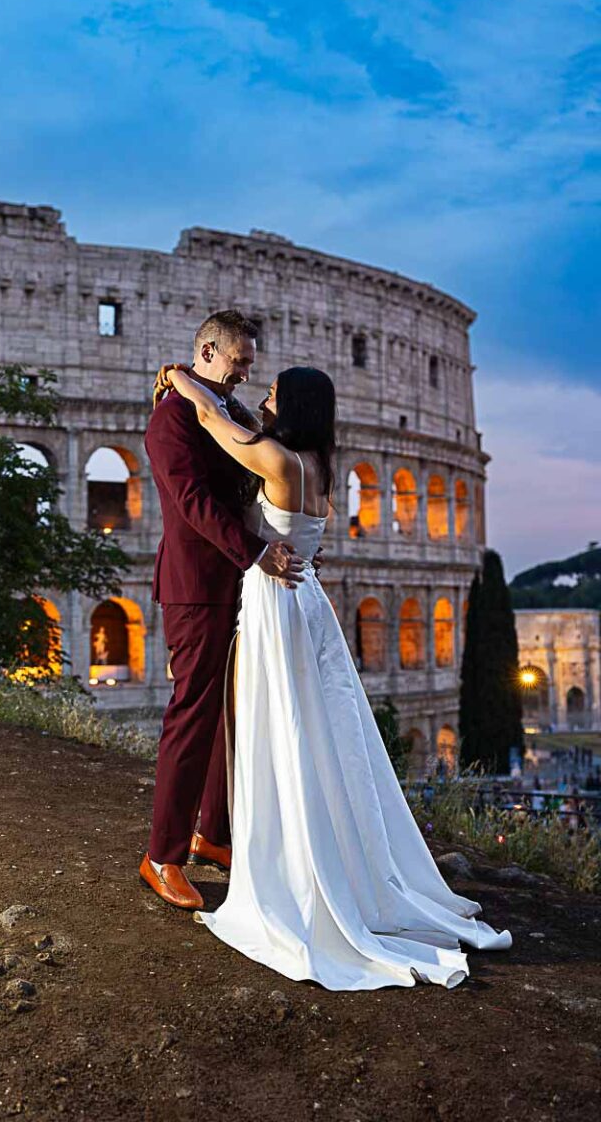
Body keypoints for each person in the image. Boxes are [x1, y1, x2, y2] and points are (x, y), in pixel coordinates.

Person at [159, 362, 512, 991]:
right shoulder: (315, 464)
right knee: (311, 723)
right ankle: (240, 835)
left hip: (275, 602)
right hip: (306, 601)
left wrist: (181, 378)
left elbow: (213, 419)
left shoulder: (282, 463)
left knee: (278, 723)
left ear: (291, 406)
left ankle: (287, 857)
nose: (260, 397)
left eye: (270, 394)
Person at [139, 311, 306, 911]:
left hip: (233, 581)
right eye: (238, 362)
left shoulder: (220, 407)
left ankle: (214, 834)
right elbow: (190, 503)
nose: (243, 375)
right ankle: (162, 856)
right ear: (208, 350)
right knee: (191, 714)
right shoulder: (170, 420)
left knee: (225, 712)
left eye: (249, 366)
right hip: (196, 586)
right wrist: (256, 552)